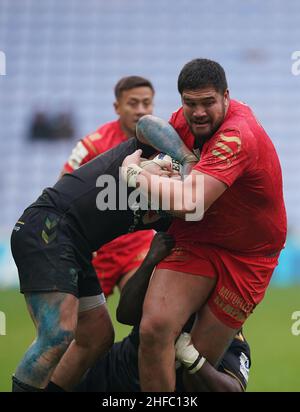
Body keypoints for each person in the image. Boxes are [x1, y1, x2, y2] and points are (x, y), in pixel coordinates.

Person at [121, 58, 287, 391]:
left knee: (196, 369)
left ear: (226, 96)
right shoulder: (182, 123)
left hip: (249, 257)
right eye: (190, 103)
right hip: (197, 237)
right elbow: (147, 127)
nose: (198, 112)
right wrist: (162, 163)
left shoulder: (238, 135)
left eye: (208, 103)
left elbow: (190, 202)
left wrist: (135, 174)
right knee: (154, 331)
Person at [10, 136, 189, 391]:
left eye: (173, 179)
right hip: (49, 226)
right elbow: (147, 123)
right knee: (56, 334)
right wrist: (186, 156)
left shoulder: (165, 208)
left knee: (97, 335)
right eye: (163, 169)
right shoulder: (133, 153)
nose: (166, 176)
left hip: (77, 243)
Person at [75, 232, 251, 393]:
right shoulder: (168, 298)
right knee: (66, 366)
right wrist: (150, 261)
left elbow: (233, 389)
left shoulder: (226, 336)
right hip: (113, 372)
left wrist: (191, 356)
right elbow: (125, 314)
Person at [61, 76, 155, 297]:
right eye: (133, 103)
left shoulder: (161, 141)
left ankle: (137, 333)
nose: (141, 110)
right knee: (91, 331)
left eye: (147, 103)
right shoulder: (94, 144)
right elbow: (63, 188)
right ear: (117, 107)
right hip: (96, 249)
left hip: (136, 245)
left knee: (145, 305)